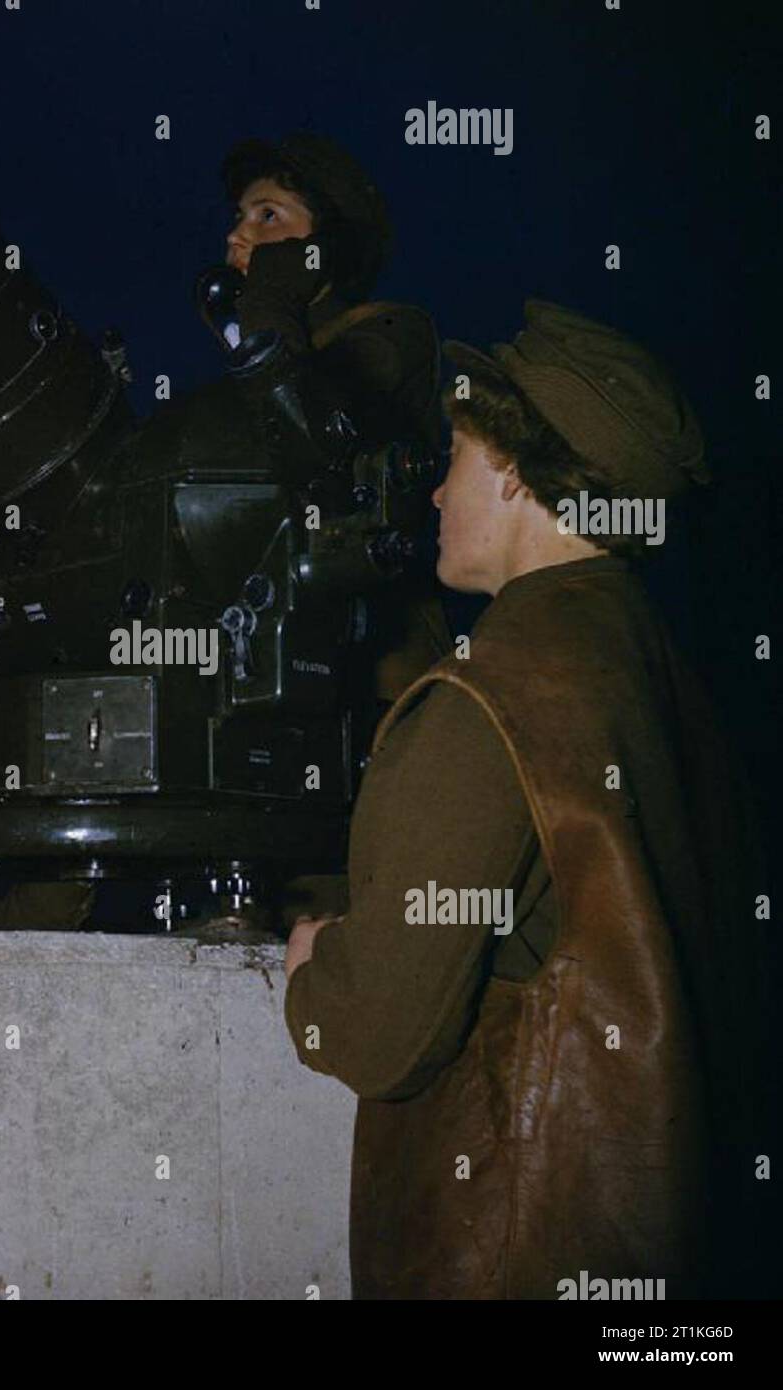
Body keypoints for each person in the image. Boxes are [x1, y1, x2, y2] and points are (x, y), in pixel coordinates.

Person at [282, 299, 772, 1299]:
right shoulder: (663, 677)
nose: (430, 493)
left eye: (452, 457)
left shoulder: (487, 691)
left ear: (509, 470)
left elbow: (377, 1030)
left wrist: (309, 971)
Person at [220, 133, 452, 925]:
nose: (237, 233)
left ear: (325, 245)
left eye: (268, 213)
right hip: (279, 687)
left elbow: (319, 451)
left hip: (370, 689)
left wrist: (268, 303)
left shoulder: (390, 337)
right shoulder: (286, 343)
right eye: (237, 215)